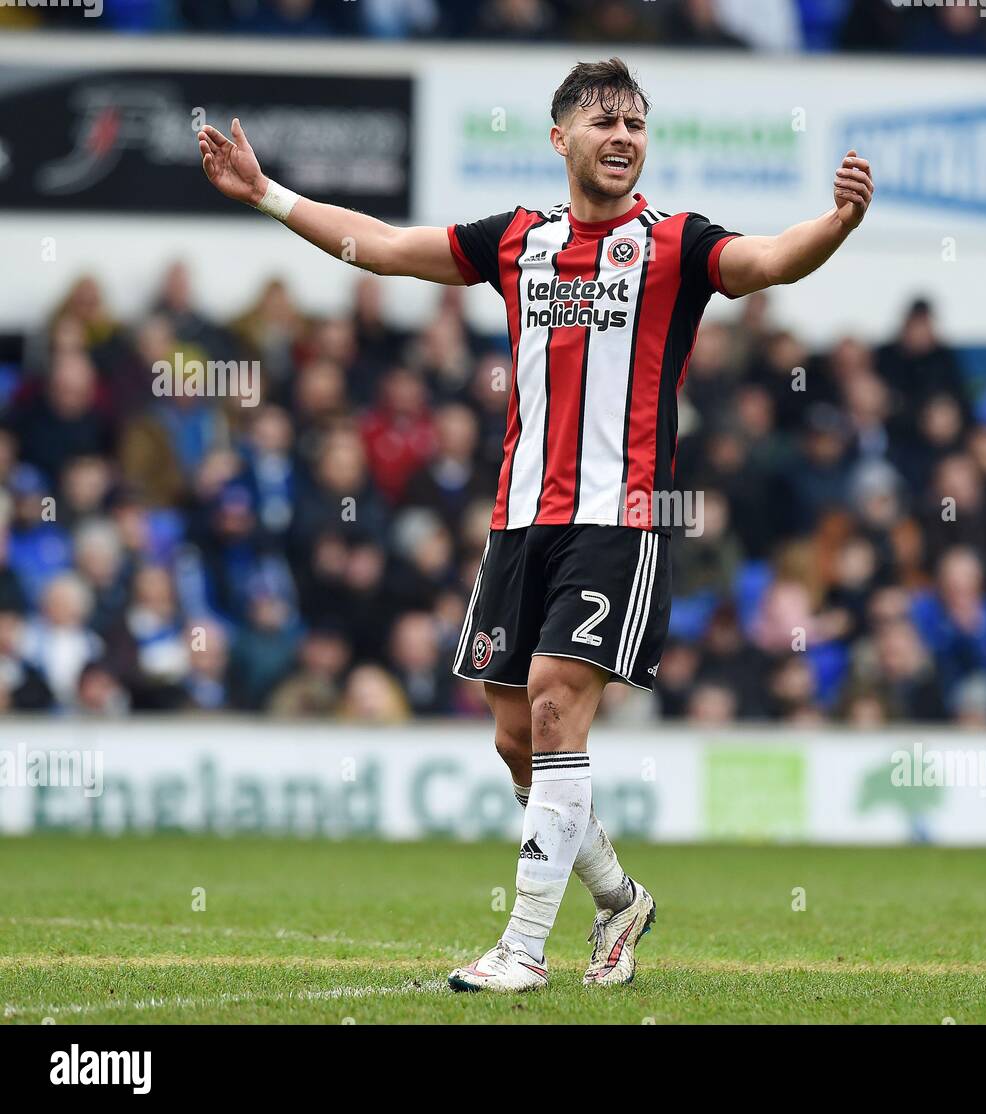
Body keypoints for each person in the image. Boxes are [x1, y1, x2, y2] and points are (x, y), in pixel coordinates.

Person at [197, 56, 873, 993]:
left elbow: (766, 261)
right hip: (519, 521)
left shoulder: (676, 244)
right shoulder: (518, 239)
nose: (623, 137)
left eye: (636, 123)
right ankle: (620, 898)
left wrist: (836, 225)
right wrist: (268, 192)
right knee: (517, 737)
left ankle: (519, 950)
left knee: (556, 702)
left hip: (619, 519)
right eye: (603, 122)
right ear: (561, 138)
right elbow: (385, 247)